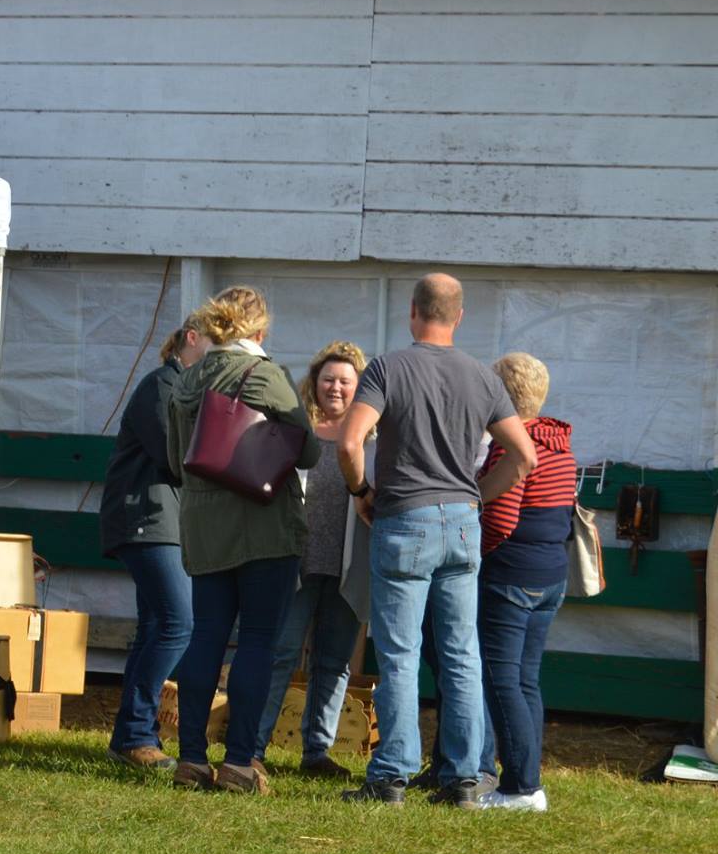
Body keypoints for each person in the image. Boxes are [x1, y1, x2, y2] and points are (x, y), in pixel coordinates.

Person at [337, 274, 536, 807]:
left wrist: (362, 490)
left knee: (400, 654)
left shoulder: (387, 367)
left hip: (405, 518)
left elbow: (351, 441)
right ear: (460, 316)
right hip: (461, 523)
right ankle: (466, 777)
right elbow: (525, 457)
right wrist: (476, 496)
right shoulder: (482, 376)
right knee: (461, 652)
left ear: (412, 312)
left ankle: (391, 776)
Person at [163, 287, 320, 795]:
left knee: (206, 635)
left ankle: (190, 757)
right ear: (261, 329)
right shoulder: (266, 374)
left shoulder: (187, 378)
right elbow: (310, 452)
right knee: (256, 641)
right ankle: (238, 763)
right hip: (263, 527)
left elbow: (174, 460)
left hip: (204, 527)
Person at [253, 341, 368, 778]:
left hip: (345, 567)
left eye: (345, 381)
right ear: (314, 384)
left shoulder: (368, 439)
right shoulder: (294, 431)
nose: (335, 389)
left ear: (358, 388)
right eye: (328, 380)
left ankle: (316, 751)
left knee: (334, 660)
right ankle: (254, 745)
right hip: (294, 564)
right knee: (280, 653)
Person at [100, 313, 207, 771]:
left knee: (154, 628)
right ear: (191, 338)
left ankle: (130, 737)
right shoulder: (163, 385)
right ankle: (137, 734)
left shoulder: (187, 389)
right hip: (147, 518)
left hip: (166, 521)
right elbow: (176, 454)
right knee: (178, 623)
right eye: (217, 345)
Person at [473, 352, 574, 813]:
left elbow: (500, 518)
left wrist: (479, 553)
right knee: (526, 680)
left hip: (511, 576)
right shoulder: (560, 444)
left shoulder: (510, 447)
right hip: (551, 575)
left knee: (501, 681)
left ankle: (519, 786)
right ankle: (529, 780)